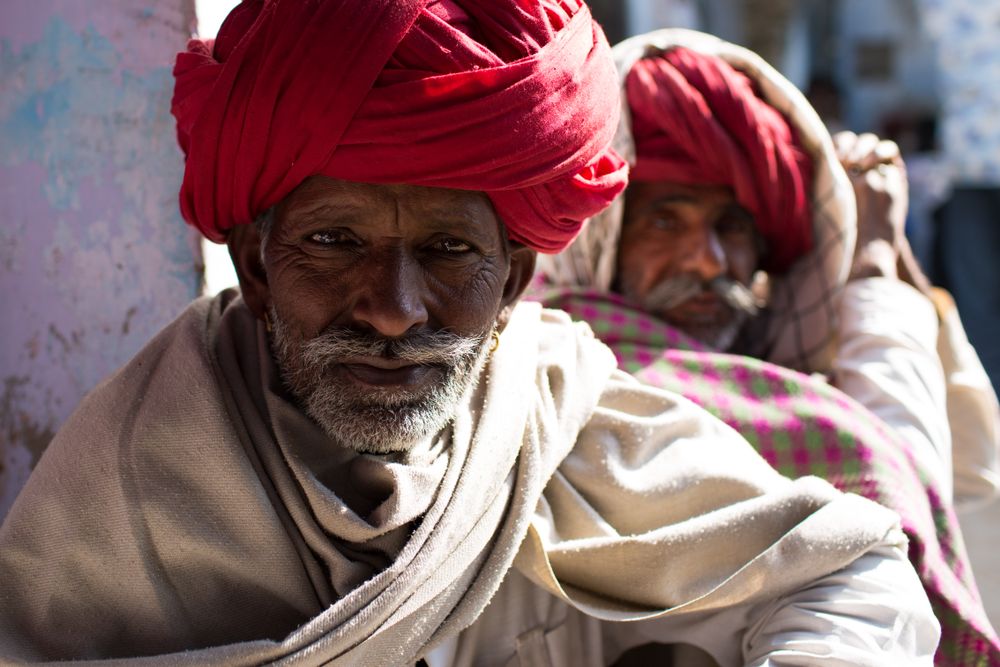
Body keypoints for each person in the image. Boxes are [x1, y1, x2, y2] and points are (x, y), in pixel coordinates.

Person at [0, 4, 938, 665]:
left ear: (515, 285)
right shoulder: (127, 479)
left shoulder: (547, 414)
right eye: (335, 242)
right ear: (253, 262)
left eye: (449, 251)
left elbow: (851, 564)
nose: (395, 308)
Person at [535, 28, 1000, 663]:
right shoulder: (564, 384)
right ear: (601, 237)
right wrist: (870, 270)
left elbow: (965, 505)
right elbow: (894, 505)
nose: (707, 262)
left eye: (731, 226)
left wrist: (891, 270)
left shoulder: (786, 376)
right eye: (665, 221)